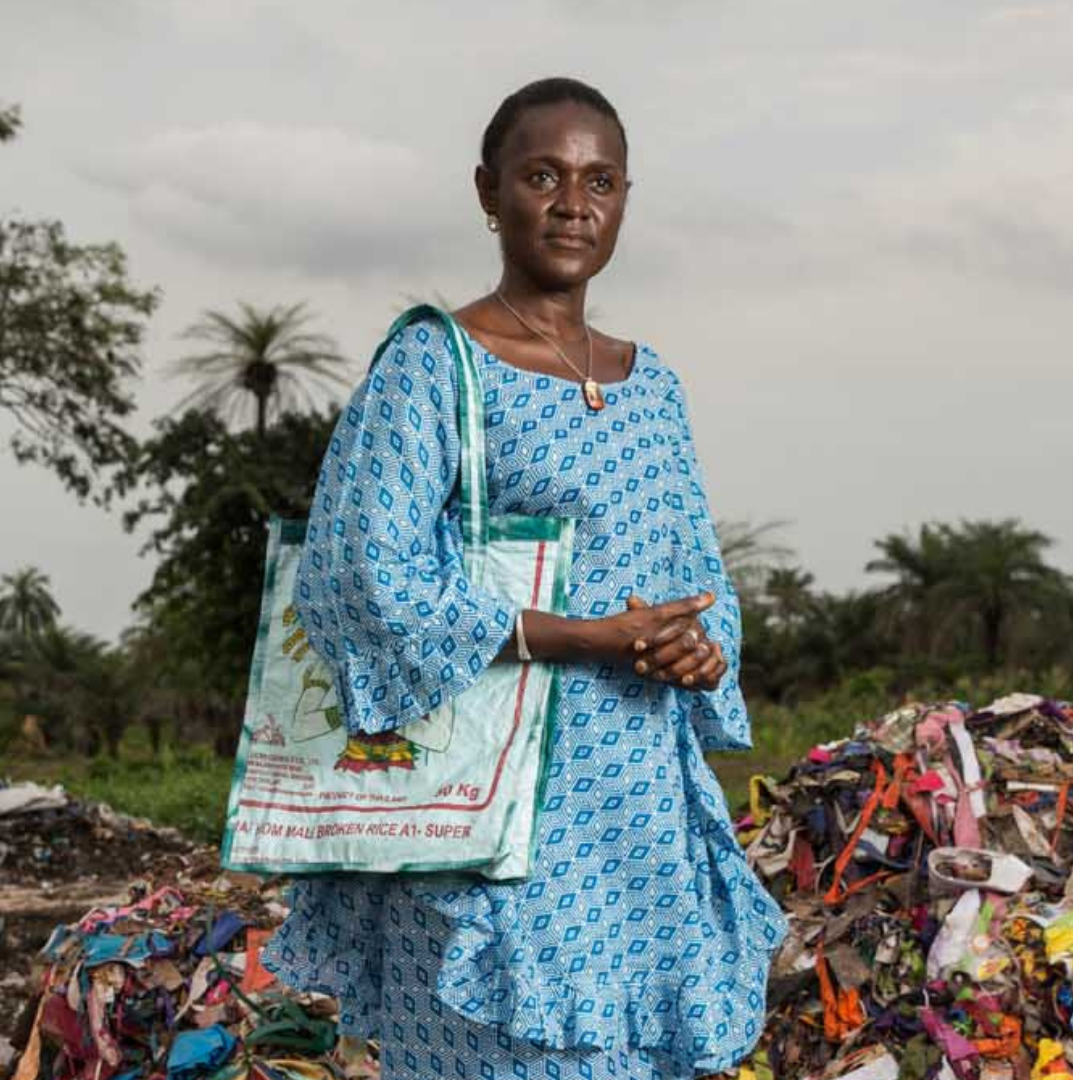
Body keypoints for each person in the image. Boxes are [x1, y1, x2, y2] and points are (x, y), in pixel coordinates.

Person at [263, 76, 787, 1080]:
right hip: (490, 816)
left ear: (624, 199)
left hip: (637, 816)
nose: (572, 204)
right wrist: (578, 637)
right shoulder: (434, 364)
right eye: (543, 177)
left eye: (600, 182)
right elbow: (360, 575)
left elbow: (700, 577)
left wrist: (699, 645)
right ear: (488, 192)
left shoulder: (654, 386)